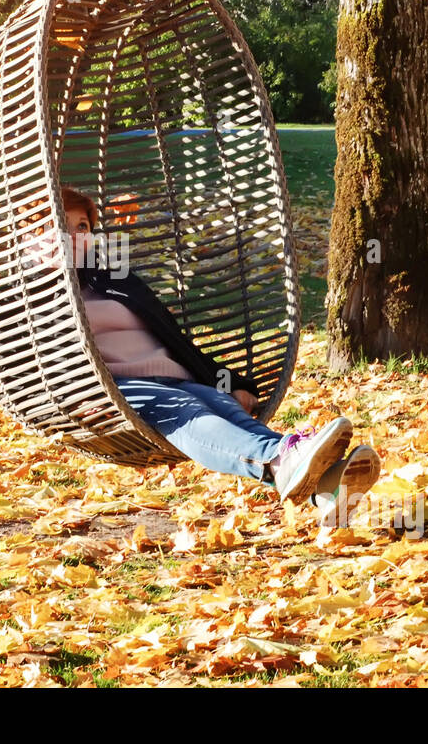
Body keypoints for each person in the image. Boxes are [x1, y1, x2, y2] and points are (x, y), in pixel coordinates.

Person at [60, 186, 381, 512]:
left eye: (82, 227)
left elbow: (176, 342)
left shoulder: (113, 280)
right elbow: (40, 360)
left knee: (224, 405)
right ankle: (279, 459)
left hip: (175, 377)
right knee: (187, 409)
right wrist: (76, 394)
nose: (74, 236)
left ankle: (322, 487)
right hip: (117, 392)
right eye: (61, 224)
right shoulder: (34, 300)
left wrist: (232, 383)